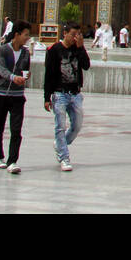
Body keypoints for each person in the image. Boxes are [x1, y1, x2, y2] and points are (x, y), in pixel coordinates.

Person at [44, 22, 90, 172]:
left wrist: (81, 47)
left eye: (78, 35)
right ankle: (64, 158)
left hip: (75, 94)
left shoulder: (78, 49)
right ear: (65, 34)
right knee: (60, 126)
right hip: (59, 93)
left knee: (76, 126)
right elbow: (49, 74)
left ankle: (59, 144)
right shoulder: (54, 50)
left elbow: (86, 66)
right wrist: (46, 97)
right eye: (73, 35)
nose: (75, 38)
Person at [0, 22, 32, 173]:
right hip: (1, 94)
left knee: (16, 130)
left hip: (17, 96)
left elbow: (26, 69)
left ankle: (12, 161)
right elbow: (1, 69)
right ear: (17, 34)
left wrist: (26, 77)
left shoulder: (25, 52)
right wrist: (12, 77)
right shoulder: (3, 50)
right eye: (26, 34)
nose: (28, 38)